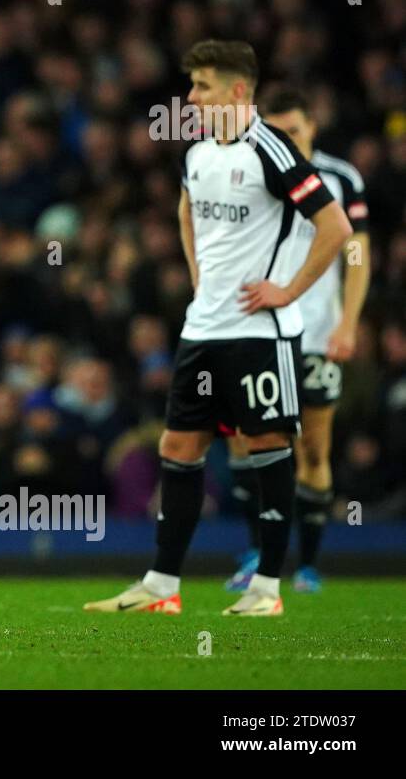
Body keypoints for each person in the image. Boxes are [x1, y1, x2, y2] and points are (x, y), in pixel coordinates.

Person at [85, 40, 351, 617]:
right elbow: (187, 212)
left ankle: (267, 591)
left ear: (236, 91)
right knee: (178, 446)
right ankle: (161, 586)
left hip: (260, 332)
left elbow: (334, 227)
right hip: (202, 329)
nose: (191, 97)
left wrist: (288, 290)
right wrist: (200, 275)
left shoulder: (272, 151)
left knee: (268, 446)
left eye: (202, 86)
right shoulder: (199, 153)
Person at [224, 87, 371, 594]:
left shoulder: (340, 178)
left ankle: (307, 564)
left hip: (315, 335)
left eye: (295, 130)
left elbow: (355, 255)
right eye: (278, 130)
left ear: (312, 127)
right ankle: (256, 553)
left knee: (312, 447)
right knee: (246, 441)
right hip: (258, 327)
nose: (286, 139)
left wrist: (348, 322)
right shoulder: (247, 172)